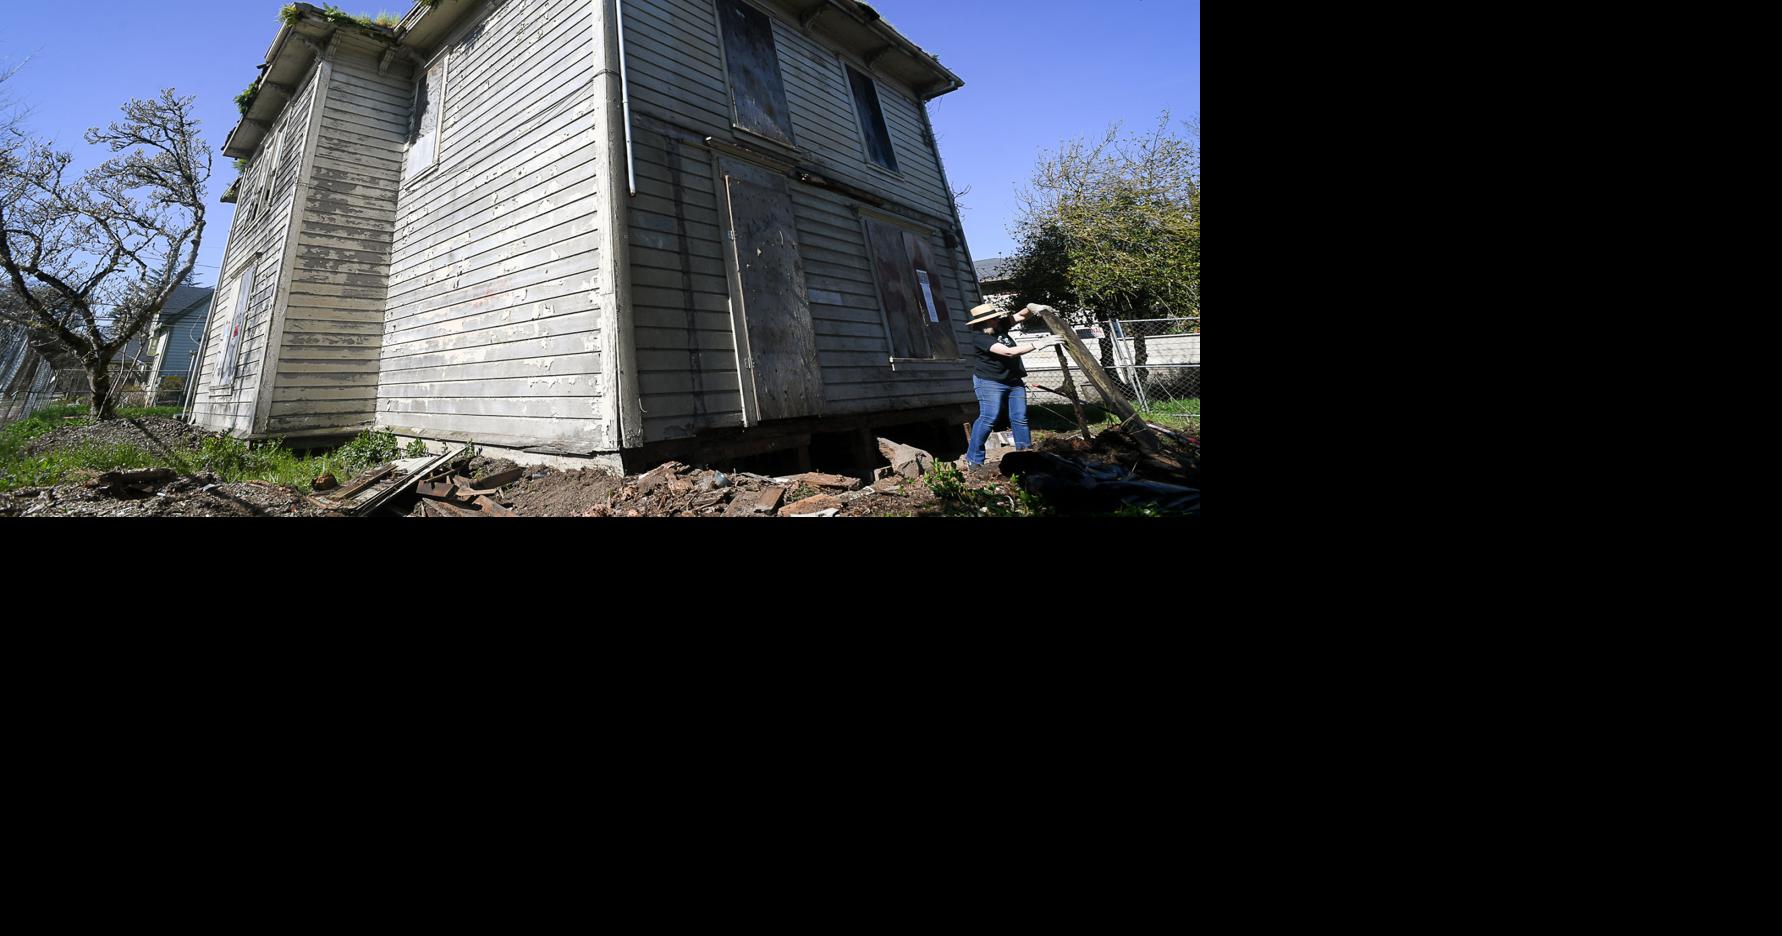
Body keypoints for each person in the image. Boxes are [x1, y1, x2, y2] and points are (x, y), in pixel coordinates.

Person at [963, 302, 1063, 469]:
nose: (997, 320)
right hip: (989, 381)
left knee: (1020, 418)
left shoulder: (1000, 325)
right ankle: (974, 459)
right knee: (989, 418)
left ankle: (1025, 455)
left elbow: (1022, 315)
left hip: (1013, 380)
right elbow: (1007, 351)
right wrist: (1038, 343)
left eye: (996, 317)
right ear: (984, 323)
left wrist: (1033, 306)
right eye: (993, 319)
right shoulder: (979, 337)